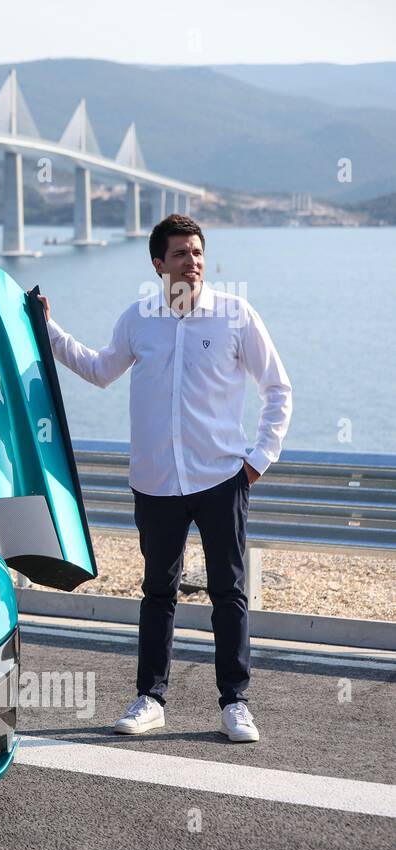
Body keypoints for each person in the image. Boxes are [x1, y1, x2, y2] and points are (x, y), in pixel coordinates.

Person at [36, 214, 292, 743]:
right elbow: (100, 369)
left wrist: (256, 461)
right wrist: (47, 330)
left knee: (229, 592)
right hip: (154, 482)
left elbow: (278, 389)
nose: (192, 263)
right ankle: (150, 698)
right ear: (159, 264)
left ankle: (235, 703)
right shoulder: (138, 319)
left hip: (222, 478)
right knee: (158, 593)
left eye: (197, 253)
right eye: (180, 254)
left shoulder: (235, 316)